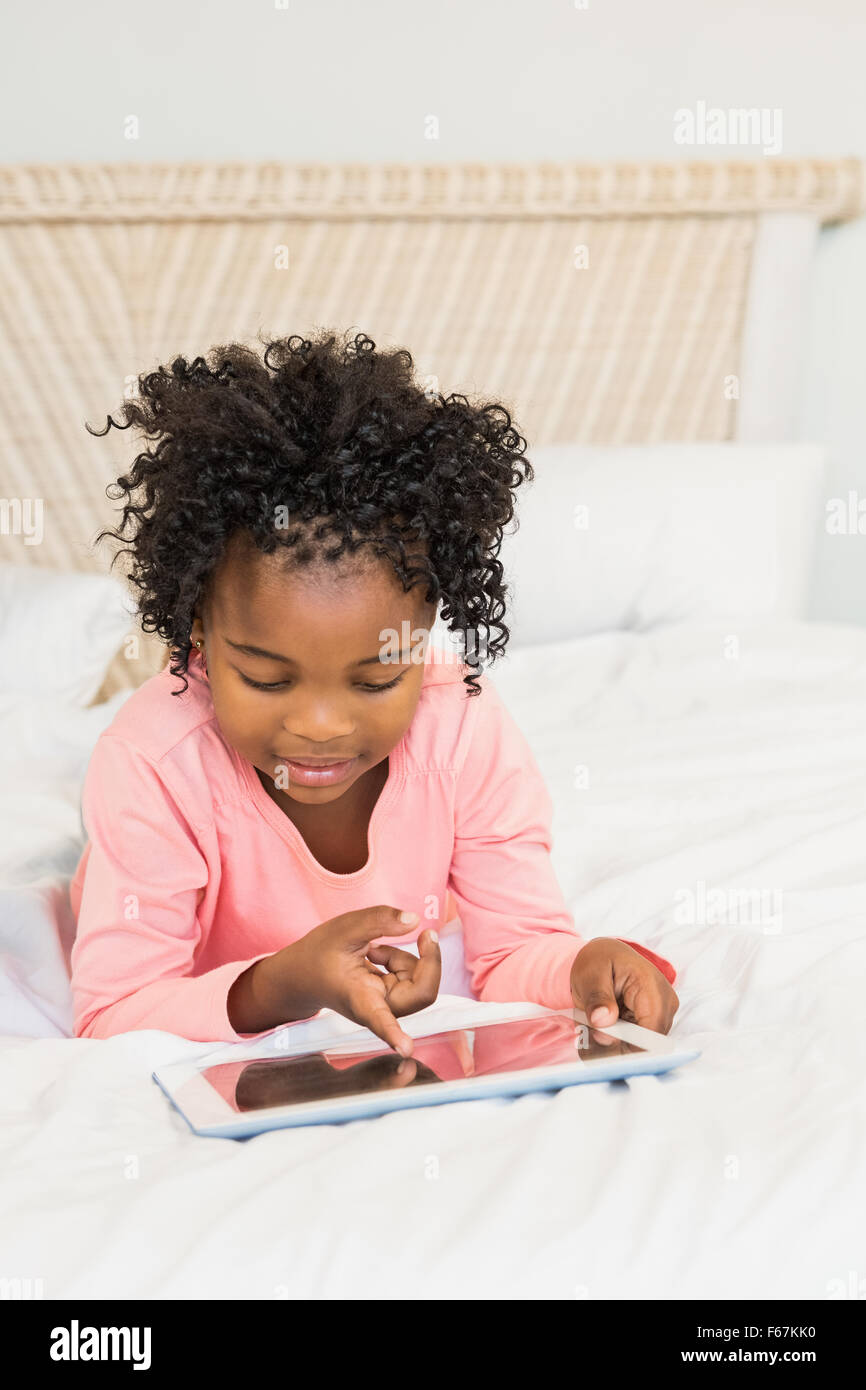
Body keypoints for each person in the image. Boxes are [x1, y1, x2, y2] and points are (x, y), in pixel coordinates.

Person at [69, 329, 678, 1054]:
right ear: (195, 633)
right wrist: (287, 982)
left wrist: (587, 965)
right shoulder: (153, 764)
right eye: (266, 677)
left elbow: (513, 952)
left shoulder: (462, 733)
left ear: (426, 634)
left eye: (378, 677)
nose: (321, 725)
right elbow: (114, 1012)